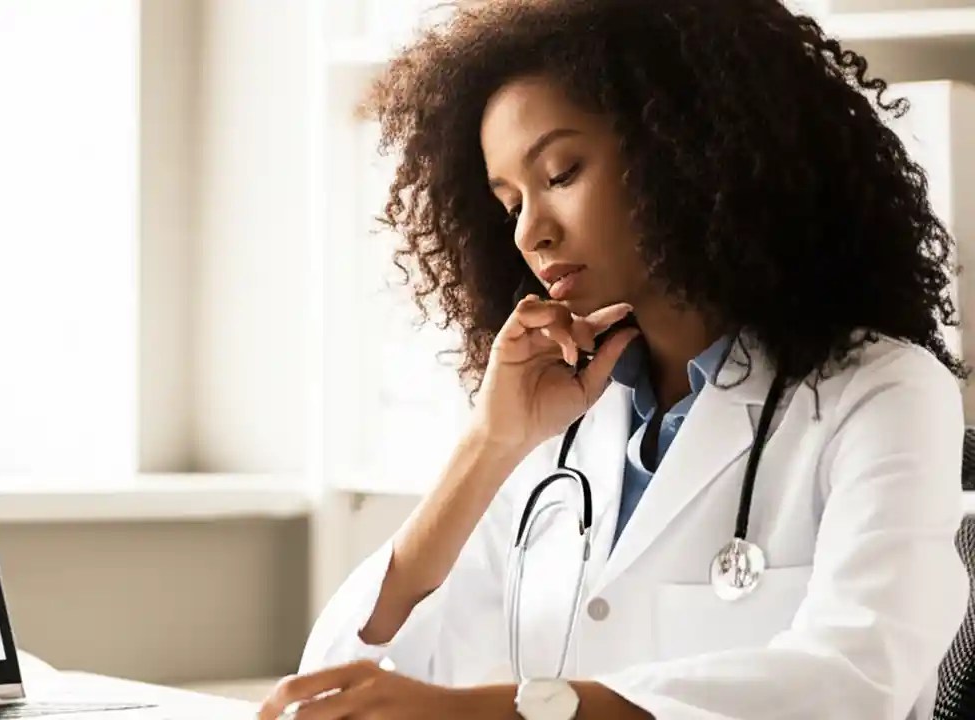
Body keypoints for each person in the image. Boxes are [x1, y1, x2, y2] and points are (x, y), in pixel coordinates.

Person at [256, 0, 973, 718]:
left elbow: (853, 682)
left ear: (687, 146)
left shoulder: (883, 393)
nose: (530, 233)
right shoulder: (558, 424)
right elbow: (331, 686)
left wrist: (508, 712)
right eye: (509, 205)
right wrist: (488, 447)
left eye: (561, 173)